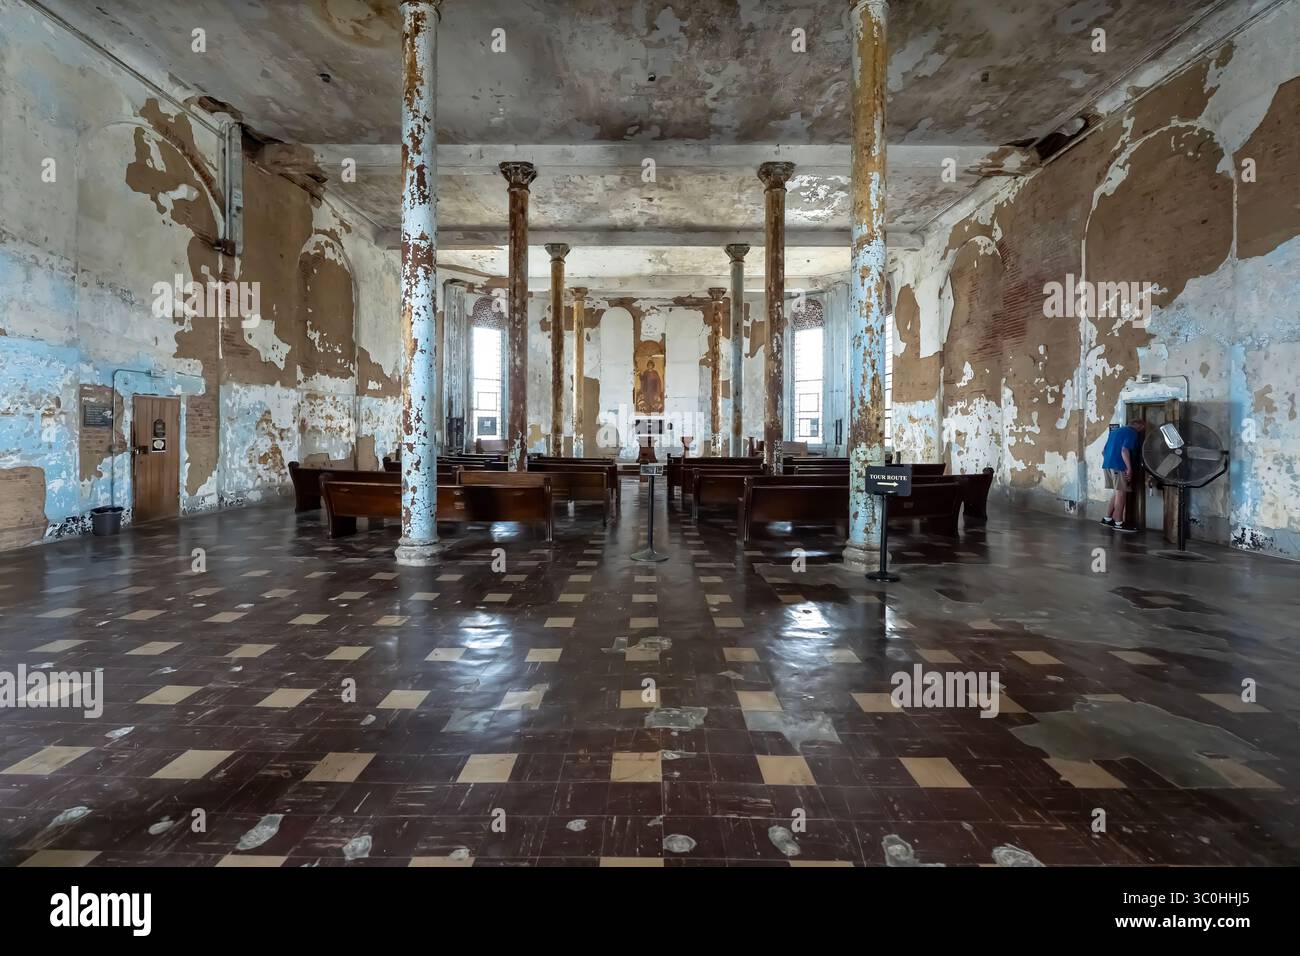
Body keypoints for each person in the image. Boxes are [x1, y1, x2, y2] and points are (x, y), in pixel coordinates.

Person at [1101, 419, 1146, 532]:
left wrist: (1110, 461)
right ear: (1137, 425)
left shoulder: (1115, 431)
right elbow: (1124, 450)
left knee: (1117, 492)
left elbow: (1103, 451)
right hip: (1119, 466)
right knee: (1121, 494)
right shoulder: (1132, 433)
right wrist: (1129, 468)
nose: (1142, 430)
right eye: (1142, 427)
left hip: (1107, 465)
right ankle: (1119, 523)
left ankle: (1107, 519)